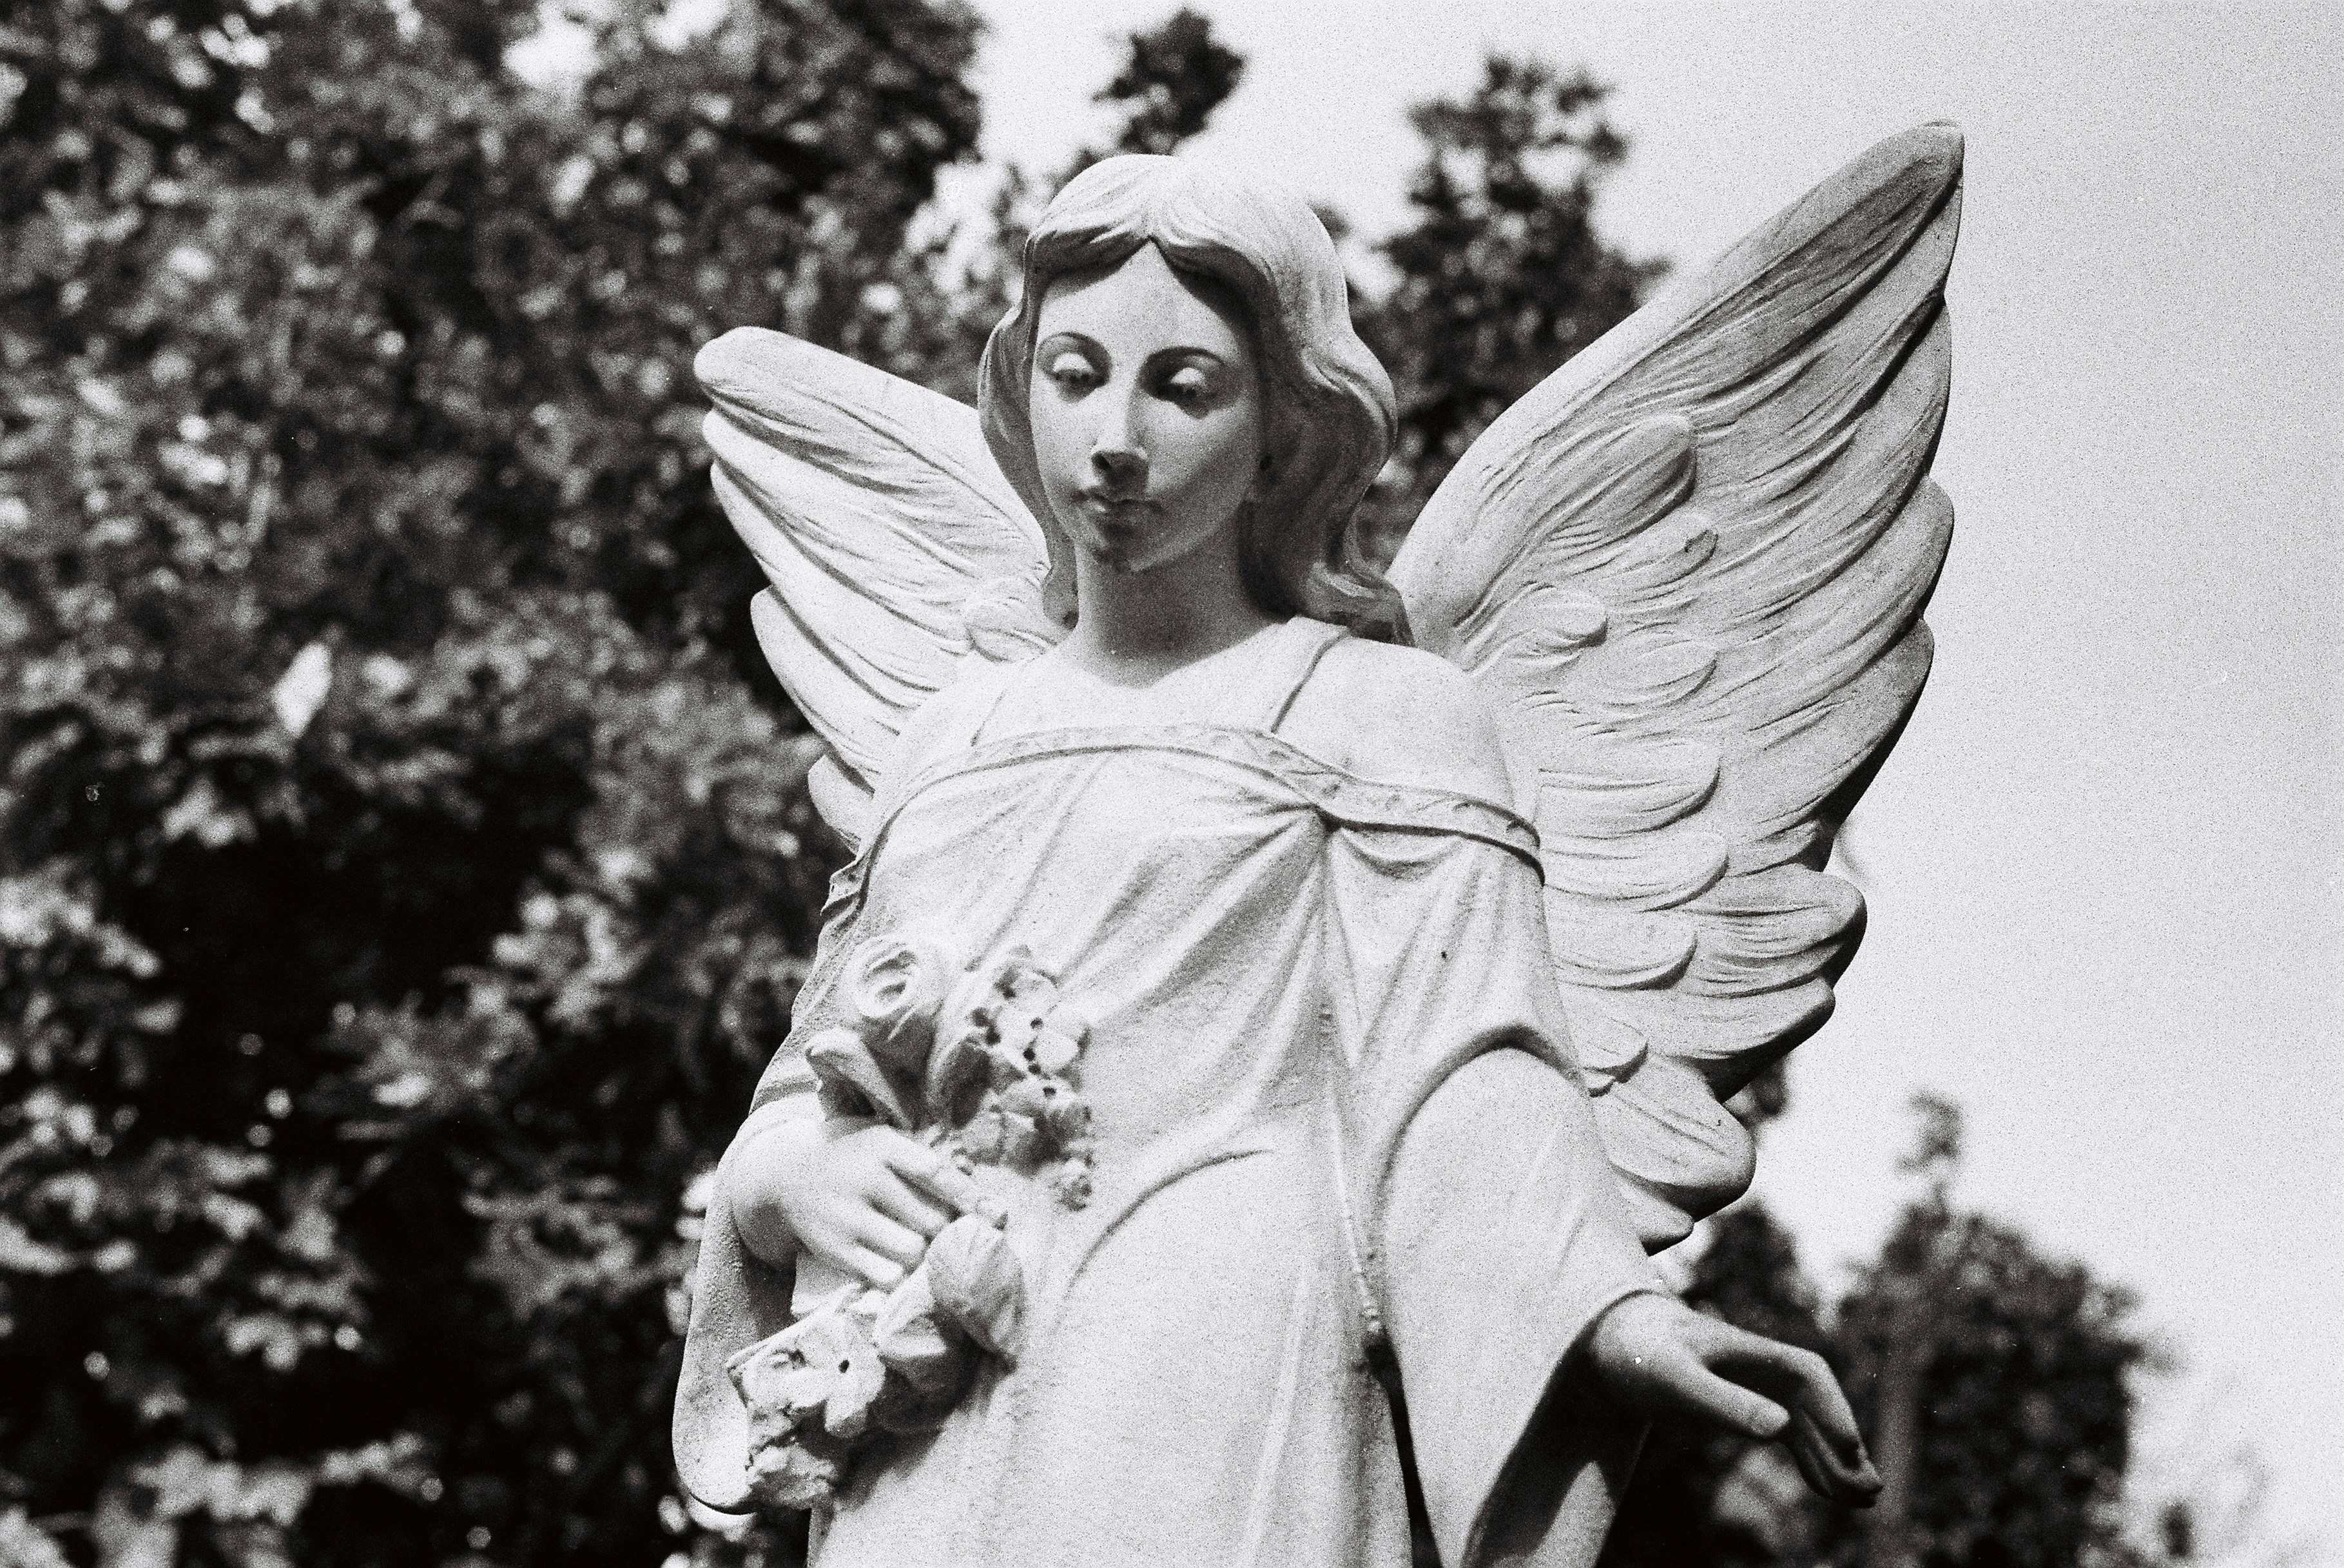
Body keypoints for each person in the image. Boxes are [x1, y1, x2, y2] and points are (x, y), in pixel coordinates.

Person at [677, 155, 1877, 1568]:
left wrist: (1616, 1314)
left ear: (1284, 430)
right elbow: (811, 1071)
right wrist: (789, 1182)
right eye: (1075, 373)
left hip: (1213, 1350)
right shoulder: (950, 735)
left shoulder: (1383, 714)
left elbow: (1466, 1080)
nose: (1115, 437)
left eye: (1183, 387)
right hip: (932, 1385)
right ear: (1023, 391)